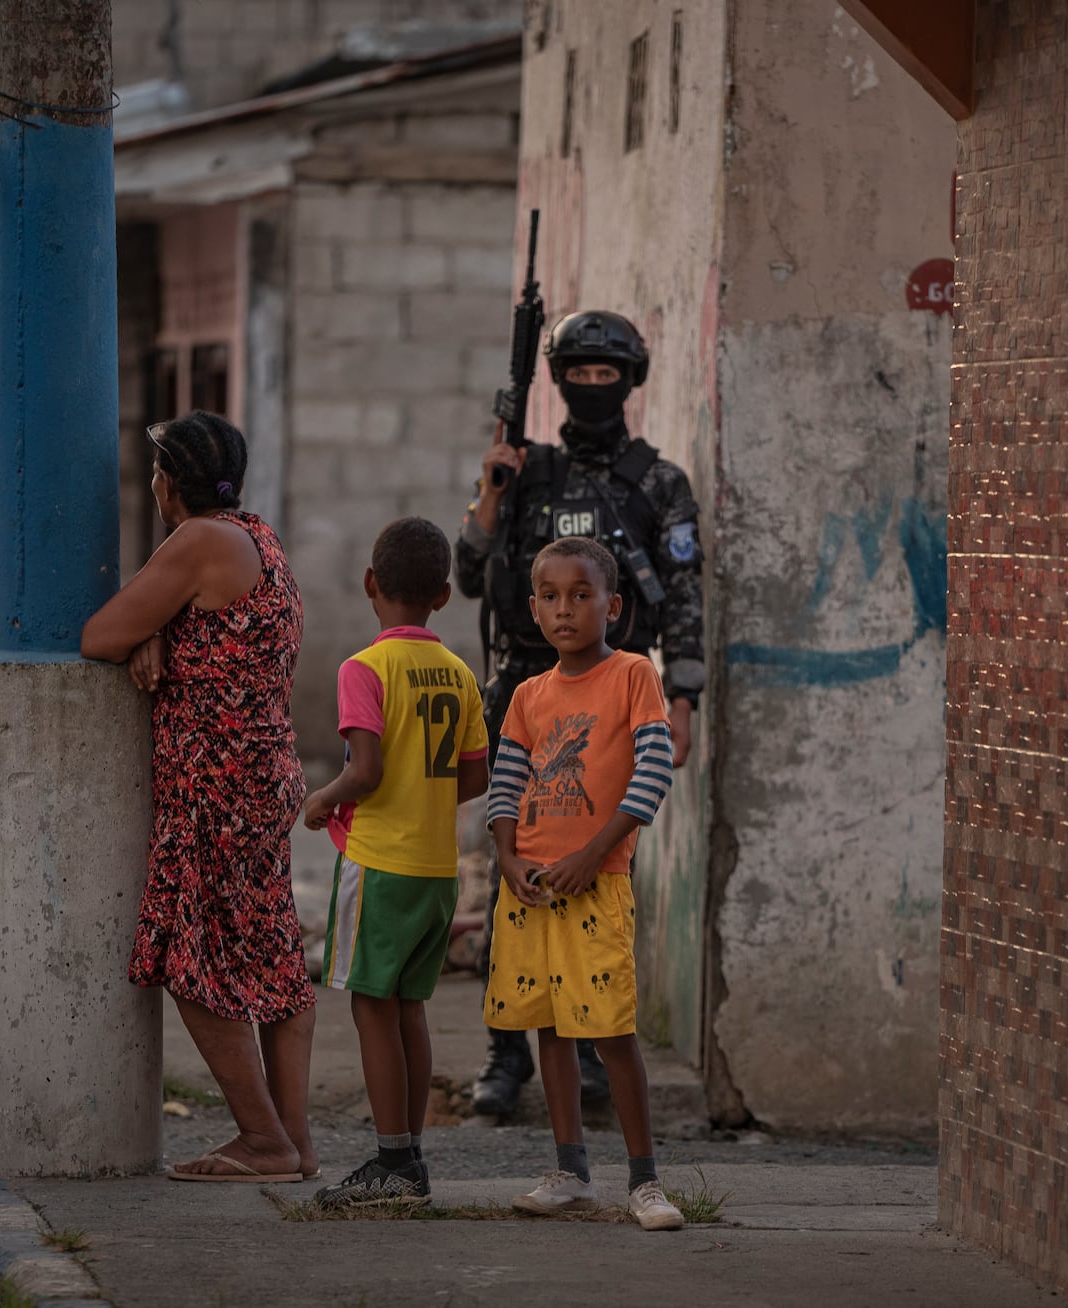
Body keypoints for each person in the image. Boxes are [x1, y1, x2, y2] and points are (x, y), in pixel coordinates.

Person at [454, 309, 706, 1116]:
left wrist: (684, 696)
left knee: (601, 875)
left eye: (607, 376)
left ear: (629, 383)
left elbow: (688, 596)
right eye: (578, 374)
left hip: (611, 699)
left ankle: (596, 1049)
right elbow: (467, 572)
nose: (591, 388)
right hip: (524, 695)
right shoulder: (524, 471)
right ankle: (507, 1057)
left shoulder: (659, 483)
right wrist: (491, 490)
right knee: (513, 873)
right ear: (556, 380)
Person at [81, 411, 319, 1183]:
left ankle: (262, 1140)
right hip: (263, 777)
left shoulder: (196, 542)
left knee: (193, 958)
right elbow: (169, 620)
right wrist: (162, 630)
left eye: (155, 472)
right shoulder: (257, 536)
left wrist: (147, 630)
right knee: (275, 957)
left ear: (167, 483)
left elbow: (98, 635)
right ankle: (297, 1146)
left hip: (213, 786)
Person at [484, 535, 684, 1231]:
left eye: (580, 595)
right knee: (549, 1025)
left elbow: (652, 773)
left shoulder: (633, 675)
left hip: (596, 886)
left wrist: (595, 855)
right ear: (533, 609)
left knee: (612, 1029)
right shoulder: (528, 695)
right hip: (531, 887)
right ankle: (569, 1172)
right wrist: (508, 860)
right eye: (550, 596)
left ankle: (645, 1182)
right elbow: (505, 785)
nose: (564, 609)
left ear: (613, 606)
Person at [302, 517, 489, 1208]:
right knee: (410, 1008)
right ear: (443, 596)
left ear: (369, 584)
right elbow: (475, 778)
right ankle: (409, 1159)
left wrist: (323, 798)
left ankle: (390, 1162)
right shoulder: (461, 673)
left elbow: (367, 770)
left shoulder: (365, 668)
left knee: (370, 1007)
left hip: (379, 863)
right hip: (437, 869)